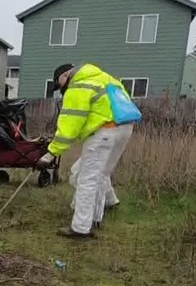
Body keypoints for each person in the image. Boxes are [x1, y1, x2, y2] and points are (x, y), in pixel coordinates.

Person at [38, 63, 135, 239]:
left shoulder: (78, 86)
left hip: (103, 133)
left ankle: (81, 228)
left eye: (58, 83)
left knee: (87, 180)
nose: (60, 88)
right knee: (101, 176)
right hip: (125, 128)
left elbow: (68, 127)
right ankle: (95, 219)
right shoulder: (106, 78)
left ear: (66, 74)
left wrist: (50, 154)